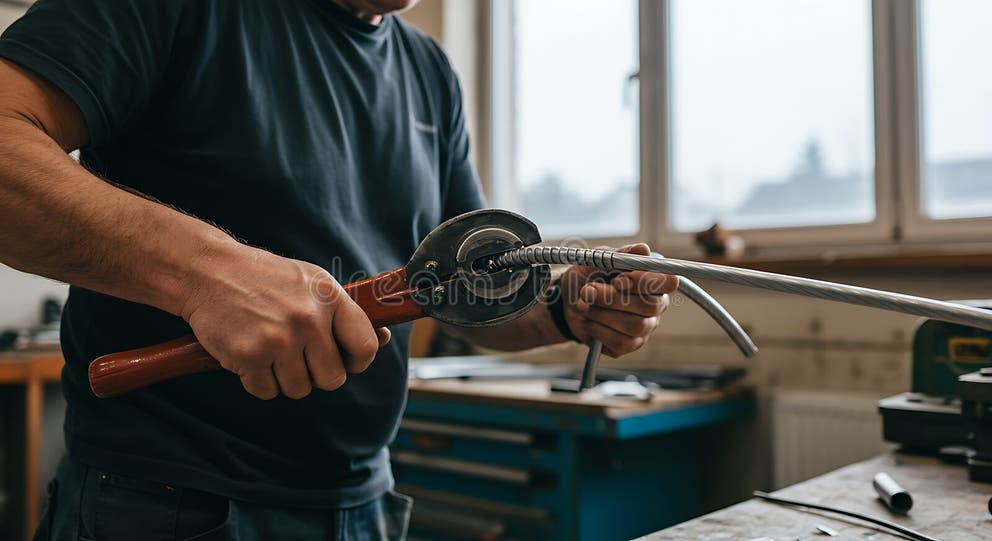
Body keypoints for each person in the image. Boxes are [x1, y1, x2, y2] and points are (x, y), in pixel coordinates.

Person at [0, 0, 677, 539]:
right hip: (163, 501)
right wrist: (209, 274)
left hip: (363, 506)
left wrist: (562, 309)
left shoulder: (428, 72)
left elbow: (463, 294)